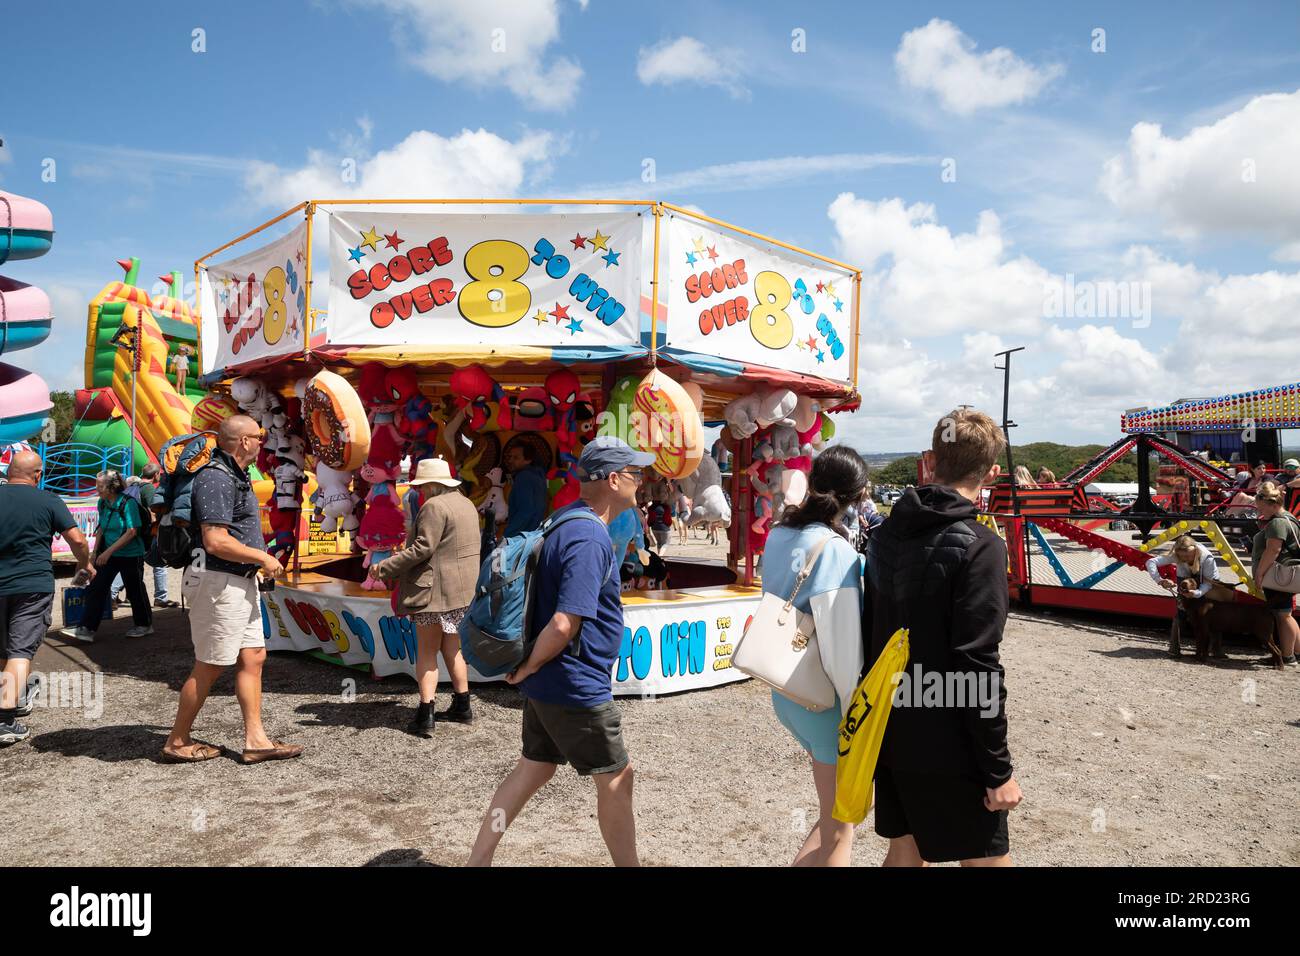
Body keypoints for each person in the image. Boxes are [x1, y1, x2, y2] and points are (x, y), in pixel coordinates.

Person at [468, 436, 653, 867]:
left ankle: (478, 861)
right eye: (636, 473)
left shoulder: (565, 518)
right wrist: (527, 666)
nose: (641, 481)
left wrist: (529, 670)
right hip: (573, 680)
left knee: (533, 768)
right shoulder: (590, 537)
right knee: (616, 777)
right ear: (613, 479)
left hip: (549, 677)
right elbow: (566, 622)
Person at [865, 408, 1022, 867]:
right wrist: (997, 769)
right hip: (950, 739)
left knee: (905, 850)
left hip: (890, 726)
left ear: (930, 460)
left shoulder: (883, 534)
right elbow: (977, 663)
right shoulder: (981, 544)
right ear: (992, 472)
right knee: (986, 859)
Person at [161, 415, 299, 763]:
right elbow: (215, 540)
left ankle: (256, 740)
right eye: (260, 435)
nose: (263, 440)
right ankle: (177, 740)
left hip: (236, 580)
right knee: (210, 664)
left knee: (253, 656)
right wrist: (262, 558)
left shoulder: (234, 476)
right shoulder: (215, 478)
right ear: (244, 442)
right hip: (218, 582)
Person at [761, 445, 868, 866]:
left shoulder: (779, 534)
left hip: (788, 689)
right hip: (824, 701)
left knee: (833, 818)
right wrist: (854, 716)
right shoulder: (837, 552)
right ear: (857, 497)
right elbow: (843, 647)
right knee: (841, 827)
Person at [370, 457, 480, 734]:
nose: (420, 491)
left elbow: (422, 548)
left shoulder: (433, 506)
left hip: (433, 591)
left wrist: (384, 567)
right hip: (463, 592)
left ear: (430, 485)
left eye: (421, 486)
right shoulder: (466, 503)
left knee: (427, 651)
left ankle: (425, 713)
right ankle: (462, 705)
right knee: (453, 649)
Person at [0, 451, 94, 745]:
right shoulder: (49, 500)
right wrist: (84, 564)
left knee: (4, 650)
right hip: (32, 585)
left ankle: (11, 697)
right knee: (20, 651)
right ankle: (4, 720)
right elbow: (78, 539)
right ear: (38, 475)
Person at [62, 470, 152, 642]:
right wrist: (95, 552)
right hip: (107, 554)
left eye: (100, 486)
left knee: (135, 591)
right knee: (96, 588)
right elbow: (102, 527)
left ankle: (144, 625)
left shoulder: (128, 503)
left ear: (112, 487)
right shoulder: (103, 503)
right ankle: (86, 629)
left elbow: (132, 531)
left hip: (131, 554)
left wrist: (108, 552)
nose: (97, 489)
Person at [110, 464, 177, 609]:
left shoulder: (130, 487)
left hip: (130, 531)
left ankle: (125, 595)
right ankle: (160, 597)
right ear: (156, 475)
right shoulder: (148, 489)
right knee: (159, 562)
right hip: (147, 533)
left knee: (133, 564)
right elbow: (154, 509)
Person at [1250, 481, 1300, 669]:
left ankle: (1287, 657)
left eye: (1260, 506)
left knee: (1282, 615)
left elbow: (1273, 550)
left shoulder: (1277, 522)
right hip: (1287, 575)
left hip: (1278, 576)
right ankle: (1296, 652)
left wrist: (1259, 575)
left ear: (1271, 504)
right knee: (1287, 614)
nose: (1259, 510)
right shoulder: (1288, 517)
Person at [501, 443, 547, 538]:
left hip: (520, 537)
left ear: (528, 460)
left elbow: (525, 512)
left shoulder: (524, 477)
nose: (510, 460)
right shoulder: (538, 476)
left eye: (516, 458)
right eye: (510, 457)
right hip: (534, 535)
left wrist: (506, 536)